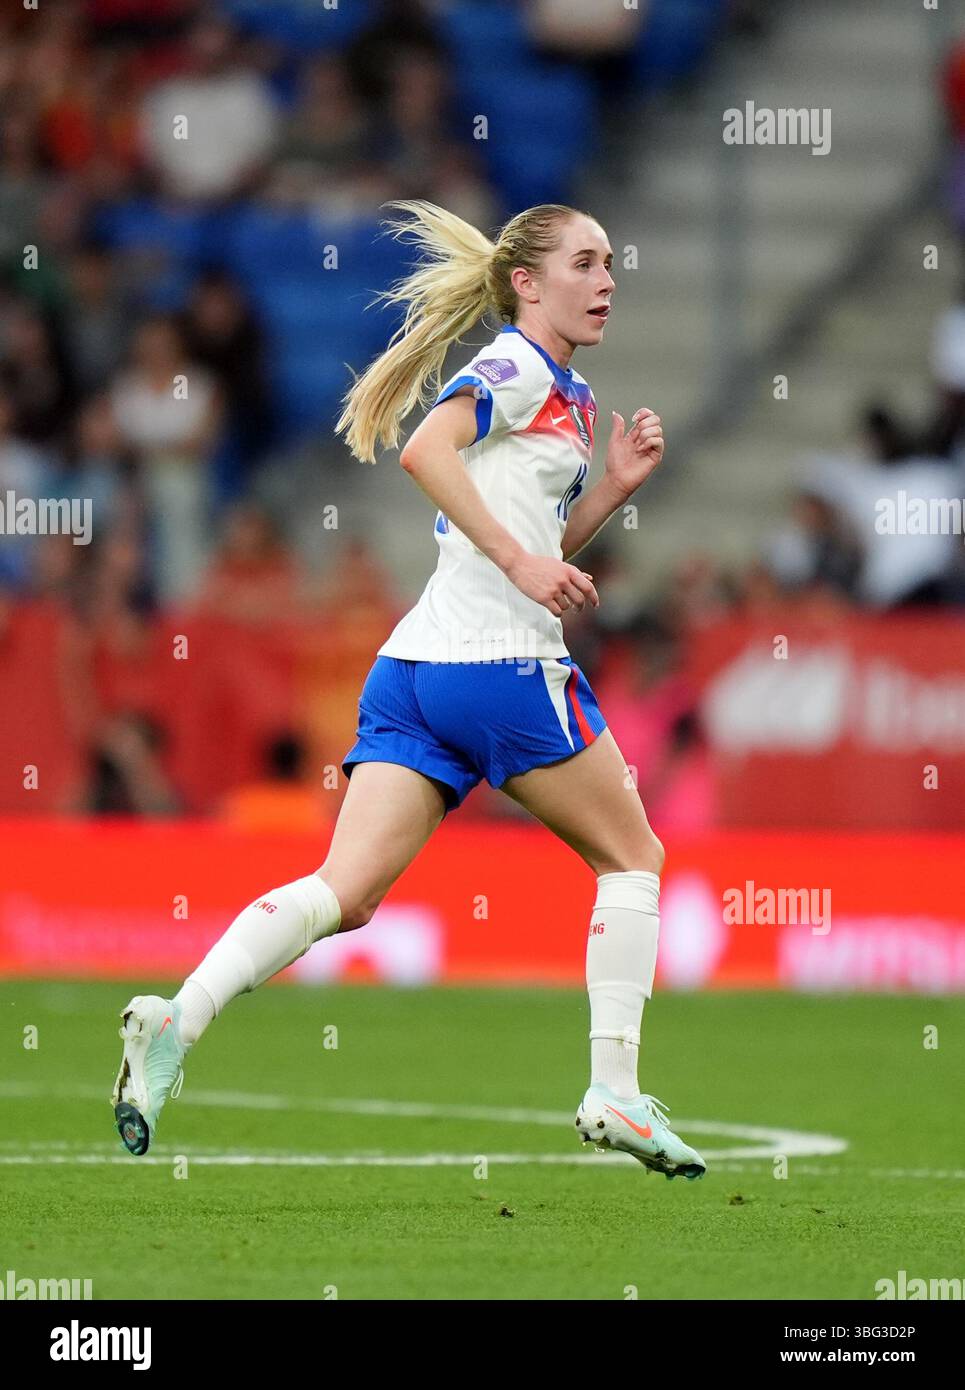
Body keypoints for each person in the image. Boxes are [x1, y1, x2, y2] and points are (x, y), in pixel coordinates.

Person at [109, 200, 706, 1181]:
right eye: (586, 263)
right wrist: (519, 565)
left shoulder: (569, 395)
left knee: (342, 894)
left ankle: (180, 1018)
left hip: (415, 672)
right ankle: (611, 1091)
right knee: (631, 856)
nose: (606, 281)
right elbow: (424, 450)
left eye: (610, 264)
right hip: (501, 669)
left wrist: (609, 492)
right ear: (527, 282)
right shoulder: (517, 366)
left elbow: (536, 545)